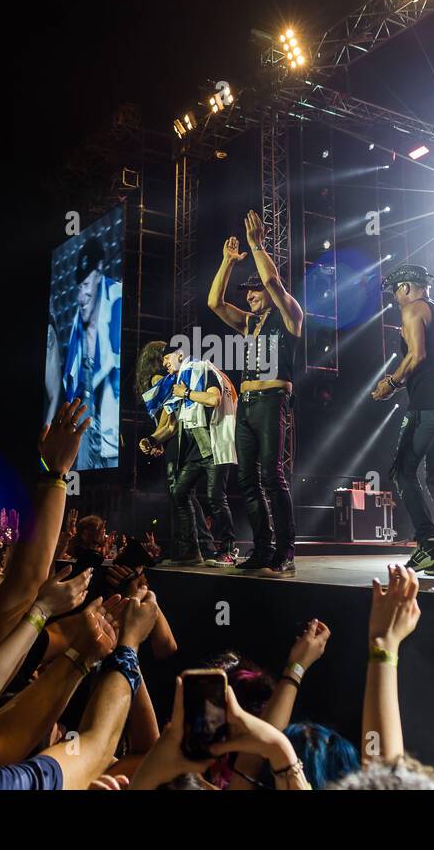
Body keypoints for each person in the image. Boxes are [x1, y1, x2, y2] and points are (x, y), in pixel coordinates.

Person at [207, 211, 302, 577]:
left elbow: (274, 281)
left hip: (272, 401)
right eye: (246, 290)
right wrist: (227, 262)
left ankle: (286, 551)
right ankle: (263, 548)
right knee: (246, 479)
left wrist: (257, 245)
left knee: (271, 477)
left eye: (253, 289)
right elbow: (215, 302)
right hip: (246, 406)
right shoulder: (249, 323)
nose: (250, 294)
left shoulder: (289, 315)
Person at [371, 264, 434, 576]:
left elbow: (417, 355)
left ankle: (428, 546)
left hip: (428, 404)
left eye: (395, 293)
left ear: (405, 288)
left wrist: (391, 382)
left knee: (403, 472)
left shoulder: (413, 309)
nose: (395, 300)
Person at [138, 340, 239, 567]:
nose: (164, 363)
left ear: (180, 355)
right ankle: (190, 550)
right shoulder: (178, 382)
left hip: (213, 447)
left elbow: (214, 399)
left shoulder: (204, 369)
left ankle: (229, 550)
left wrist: (188, 393)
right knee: (179, 493)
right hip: (195, 451)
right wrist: (152, 439)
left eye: (167, 358)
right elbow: (171, 425)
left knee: (215, 499)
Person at [61, 237, 121, 470]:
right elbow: (73, 376)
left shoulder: (116, 299)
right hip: (87, 410)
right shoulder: (78, 321)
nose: (80, 296)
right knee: (82, 464)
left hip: (110, 416)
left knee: (109, 461)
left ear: (100, 273)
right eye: (79, 287)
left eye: (86, 285)